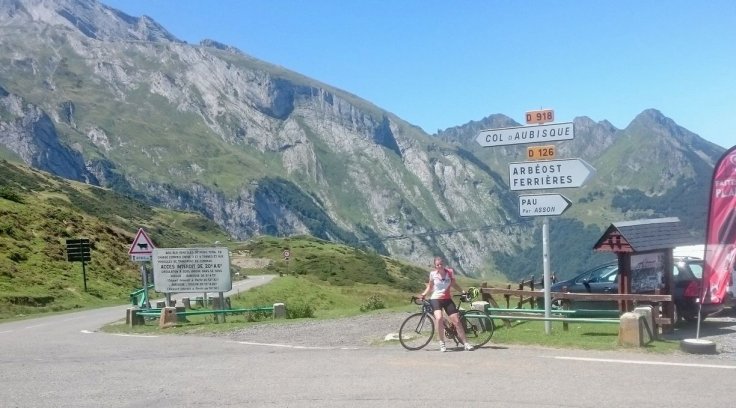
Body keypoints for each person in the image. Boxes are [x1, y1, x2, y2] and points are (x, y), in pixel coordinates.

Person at [419, 256, 473, 352]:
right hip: (435, 299)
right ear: (435, 266)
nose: (439, 266)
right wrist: (423, 294)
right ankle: (442, 343)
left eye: (441, 264)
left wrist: (463, 291)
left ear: (443, 264)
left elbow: (454, 284)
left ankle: (466, 343)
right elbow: (430, 286)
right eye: (437, 265)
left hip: (447, 299)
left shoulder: (450, 272)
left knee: (456, 321)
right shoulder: (432, 274)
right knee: (439, 318)